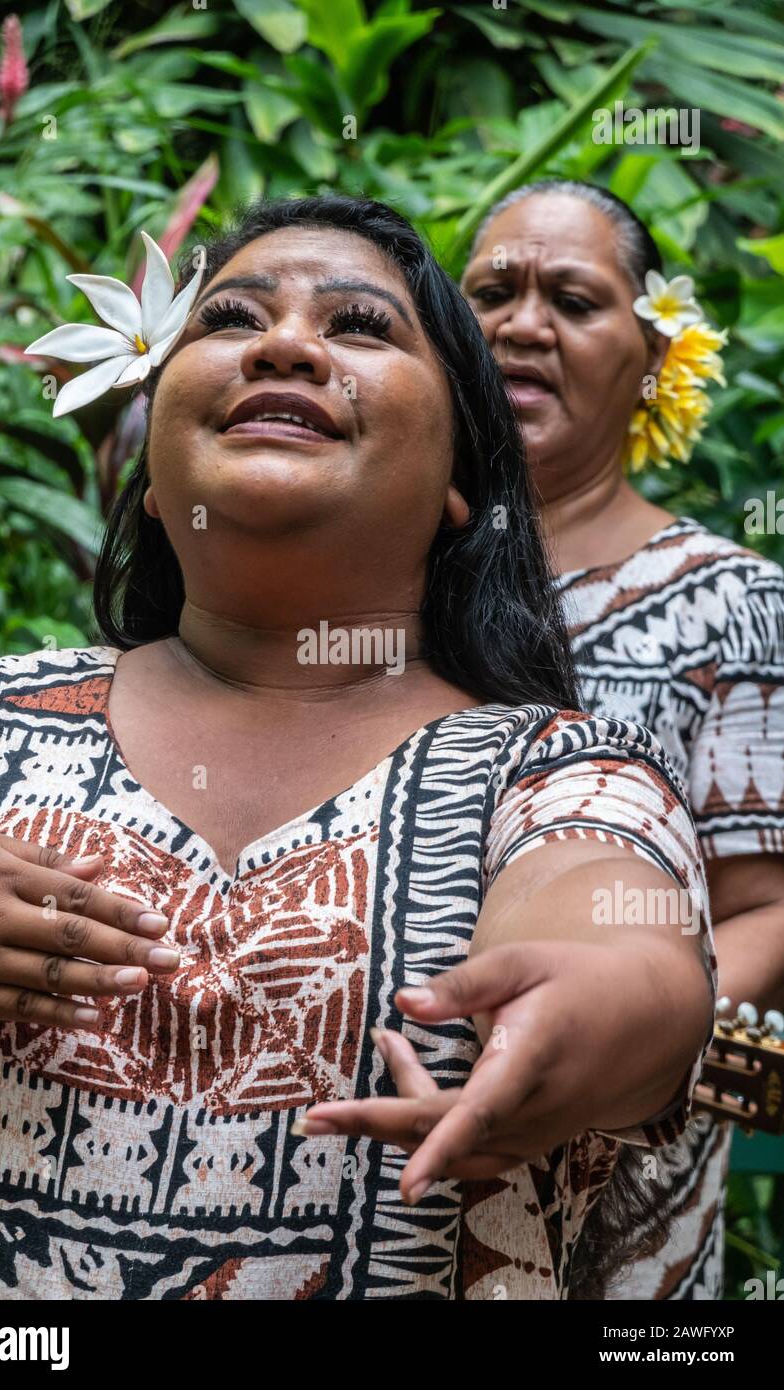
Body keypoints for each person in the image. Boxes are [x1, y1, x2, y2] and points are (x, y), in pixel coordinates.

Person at [0, 196, 714, 1300]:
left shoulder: (554, 770)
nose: (285, 343)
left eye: (361, 328)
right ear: (153, 481)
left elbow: (611, 917)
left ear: (456, 485)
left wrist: (585, 1008)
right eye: (231, 316)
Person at [365, 178, 783, 1300]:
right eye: (491, 291)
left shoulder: (728, 602)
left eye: (573, 299)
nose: (522, 323)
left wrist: (582, 1036)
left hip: (610, 1162)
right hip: (358, 1151)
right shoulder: (372, 570)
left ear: (651, 354)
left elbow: (763, 908)